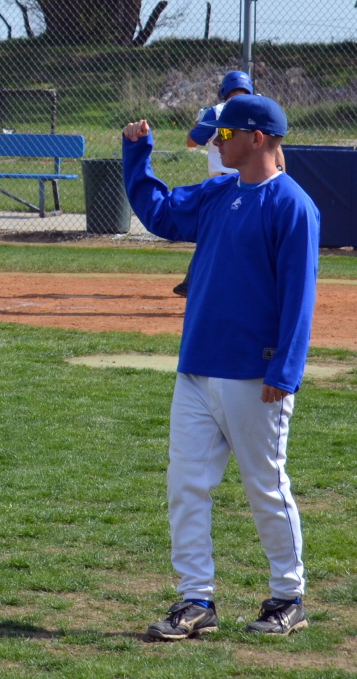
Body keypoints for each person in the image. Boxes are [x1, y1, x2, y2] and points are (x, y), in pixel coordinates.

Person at [122, 94, 319, 640]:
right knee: (185, 483)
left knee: (265, 486)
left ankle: (288, 595)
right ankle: (195, 598)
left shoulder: (292, 205)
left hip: (255, 376)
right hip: (198, 367)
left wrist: (285, 371)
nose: (216, 140)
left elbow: (299, 298)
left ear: (257, 138)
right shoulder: (218, 191)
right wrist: (137, 156)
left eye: (225, 135)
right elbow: (161, 215)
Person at [175, 70, 285, 297]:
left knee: (214, 234)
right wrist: (281, 175)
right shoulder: (260, 109)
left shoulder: (217, 111)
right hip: (256, 182)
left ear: (224, 91)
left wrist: (198, 124)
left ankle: (197, 282)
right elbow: (276, 149)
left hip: (223, 183)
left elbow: (191, 143)